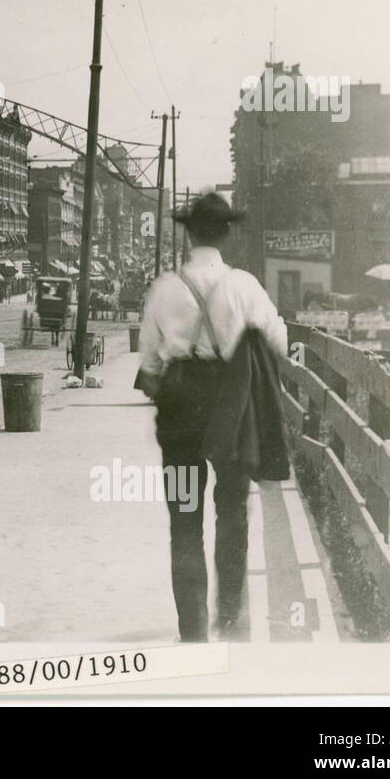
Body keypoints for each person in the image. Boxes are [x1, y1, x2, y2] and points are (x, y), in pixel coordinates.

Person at [136, 192, 287, 642]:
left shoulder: (165, 287)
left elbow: (148, 361)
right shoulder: (244, 285)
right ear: (225, 233)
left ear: (189, 233)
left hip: (180, 413)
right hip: (232, 409)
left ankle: (193, 630)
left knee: (184, 518)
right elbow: (279, 340)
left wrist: (171, 370)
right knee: (233, 508)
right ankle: (229, 615)